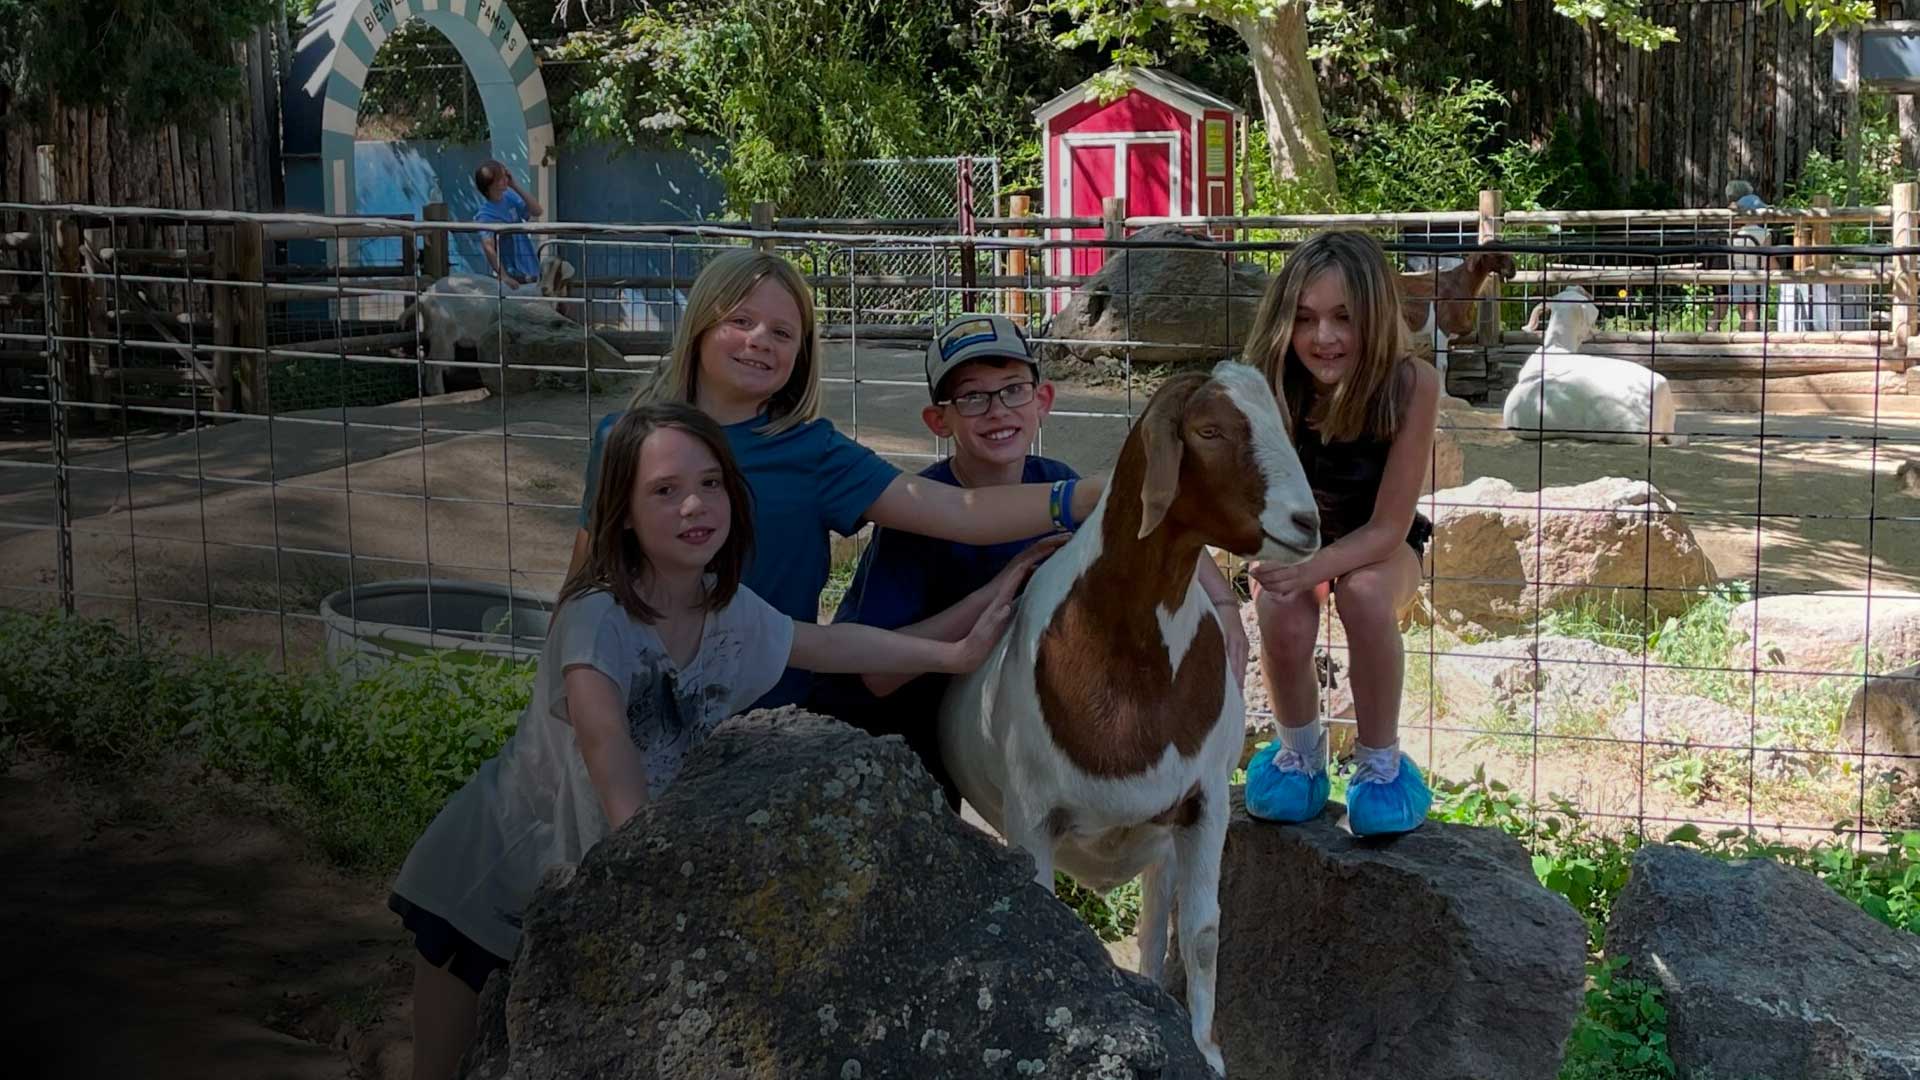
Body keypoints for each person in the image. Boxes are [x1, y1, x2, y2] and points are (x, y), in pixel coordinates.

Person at [391, 402, 1037, 1080]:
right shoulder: (595, 620)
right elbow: (609, 755)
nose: (694, 505)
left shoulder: (722, 606)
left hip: (601, 884)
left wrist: (957, 654)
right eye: (664, 491)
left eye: (711, 483)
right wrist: (675, 896)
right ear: (623, 513)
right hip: (492, 880)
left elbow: (826, 644)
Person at [569, 250, 1105, 712]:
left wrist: (1095, 493)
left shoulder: (815, 452)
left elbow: (960, 512)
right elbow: (586, 581)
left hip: (769, 724)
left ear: (800, 355)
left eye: (782, 332)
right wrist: (557, 689)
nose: (760, 340)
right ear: (700, 325)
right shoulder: (622, 439)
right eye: (740, 320)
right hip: (635, 708)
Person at [804, 313, 1248, 810]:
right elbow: (876, 677)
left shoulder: (1058, 483)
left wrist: (1225, 605)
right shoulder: (919, 514)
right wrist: (993, 598)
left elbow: (1149, 518)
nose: (997, 410)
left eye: (1013, 389)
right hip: (886, 729)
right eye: (972, 397)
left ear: (1043, 402)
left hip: (984, 723)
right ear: (938, 420)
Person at [1239, 230, 1441, 837]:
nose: (1322, 337)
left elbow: (1388, 528)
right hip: (1297, 545)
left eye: (1343, 318)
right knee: (1280, 606)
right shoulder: (1269, 381)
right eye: (1304, 319)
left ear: (1375, 317)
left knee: (1364, 595)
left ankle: (1380, 766)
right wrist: (1282, 566)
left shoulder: (1413, 384)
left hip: (1380, 546)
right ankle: (1299, 757)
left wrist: (1316, 568)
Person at [472, 159, 543, 288]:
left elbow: (537, 211)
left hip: (530, 266)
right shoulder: (485, 215)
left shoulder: (510, 196)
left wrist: (515, 186)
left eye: (505, 175)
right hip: (513, 273)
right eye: (500, 178)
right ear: (490, 185)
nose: (505, 179)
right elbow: (489, 247)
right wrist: (503, 276)